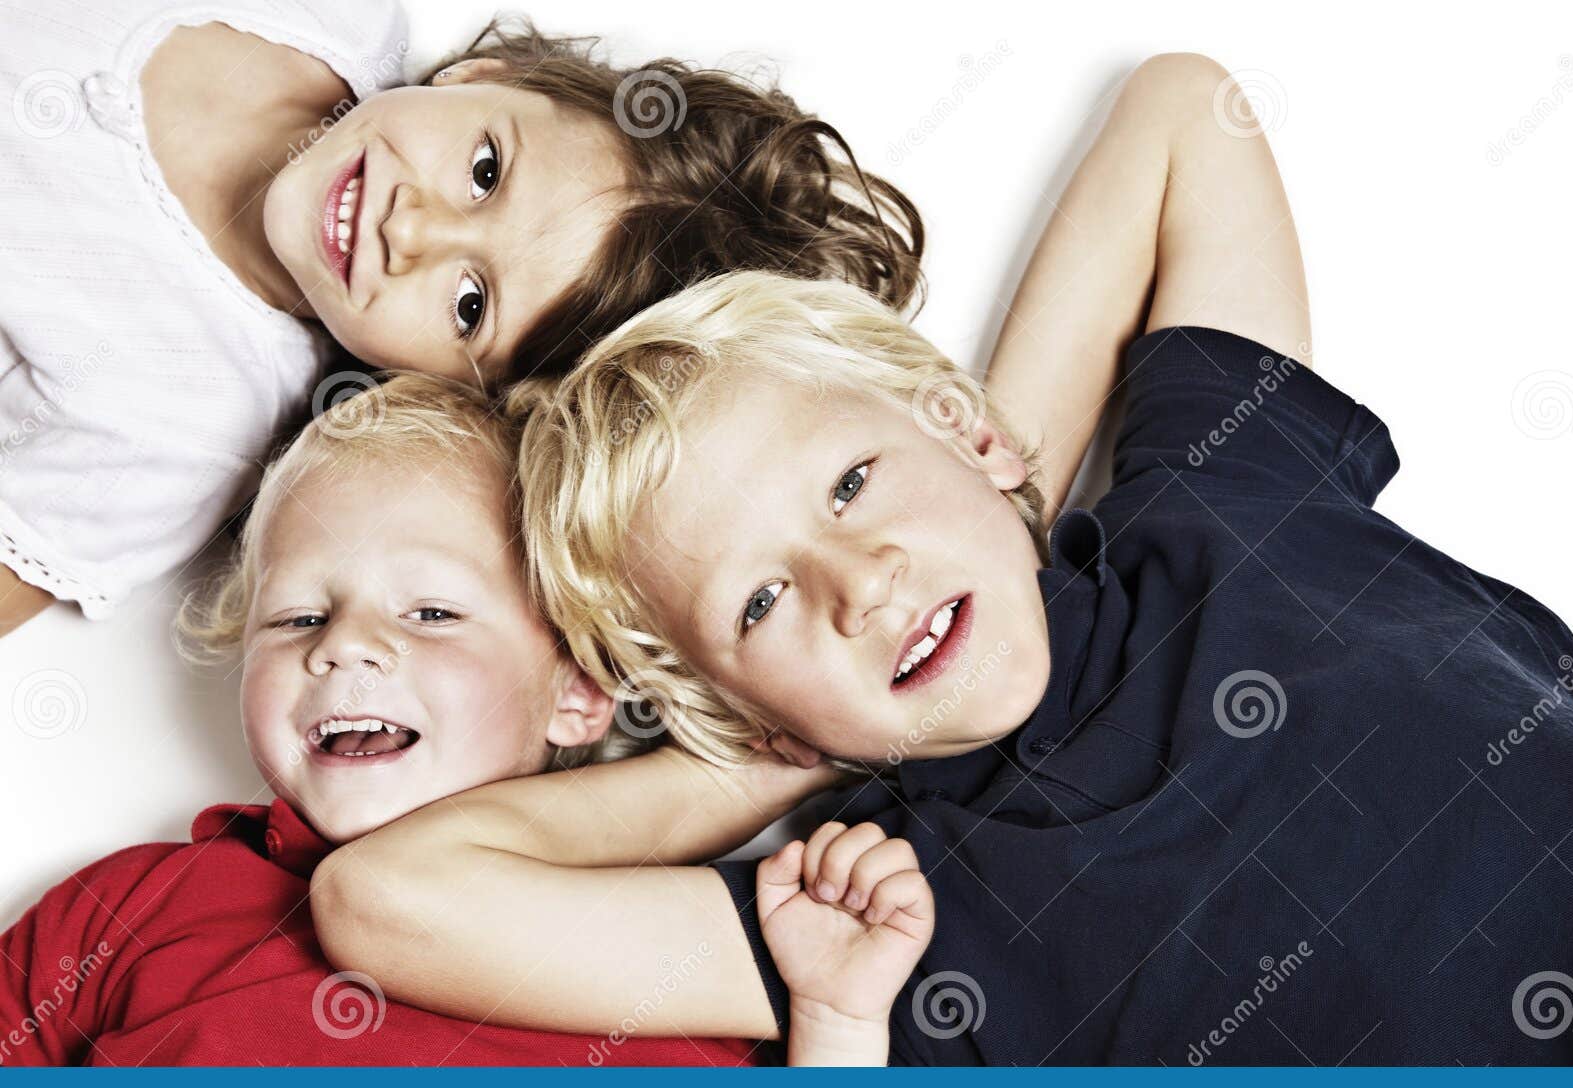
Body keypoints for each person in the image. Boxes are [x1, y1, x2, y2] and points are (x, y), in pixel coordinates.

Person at [313, 53, 1573, 1065]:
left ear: (970, 428)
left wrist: (993, 487)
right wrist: (767, 744)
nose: (859, 582)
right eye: (759, 601)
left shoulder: (1220, 502)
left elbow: (1183, 115)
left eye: (853, 484)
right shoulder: (874, 920)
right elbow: (385, 899)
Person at [0, 375, 927, 1066]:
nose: (345, 648)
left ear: (579, 688)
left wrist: (838, 1030)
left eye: (431, 613)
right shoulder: (136, 908)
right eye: (297, 618)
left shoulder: (657, 952)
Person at [0, 1, 923, 636]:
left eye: (470, 303)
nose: (414, 228)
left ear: (433, 388)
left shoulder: (178, 435)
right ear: (492, 74)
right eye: (484, 170)